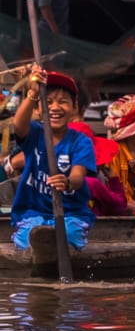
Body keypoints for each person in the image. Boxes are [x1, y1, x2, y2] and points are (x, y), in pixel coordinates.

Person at [10, 67, 96, 251]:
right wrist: (33, 92)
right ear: (38, 108)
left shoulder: (81, 141)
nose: (55, 107)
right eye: (48, 102)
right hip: (33, 210)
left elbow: (78, 177)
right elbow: (18, 125)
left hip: (71, 212)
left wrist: (67, 182)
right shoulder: (34, 133)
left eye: (63, 102)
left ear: (74, 107)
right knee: (30, 237)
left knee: (69, 234)